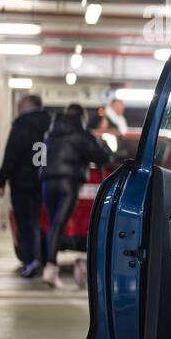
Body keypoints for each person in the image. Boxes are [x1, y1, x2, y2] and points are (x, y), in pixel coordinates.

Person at [39, 104, 110, 288]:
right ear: (81, 117)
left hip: (47, 183)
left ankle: (50, 267)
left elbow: (39, 157)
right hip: (68, 184)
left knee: (53, 224)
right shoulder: (83, 136)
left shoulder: (50, 134)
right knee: (58, 224)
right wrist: (103, 144)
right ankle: (50, 268)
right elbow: (103, 157)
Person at [0, 94, 51, 277]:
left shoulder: (21, 125)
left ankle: (31, 261)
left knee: (25, 223)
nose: (18, 107)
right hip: (43, 182)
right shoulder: (50, 123)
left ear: (27, 105)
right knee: (35, 222)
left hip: (22, 182)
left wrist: (0, 179)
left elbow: (12, 155)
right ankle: (39, 259)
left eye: (20, 104)